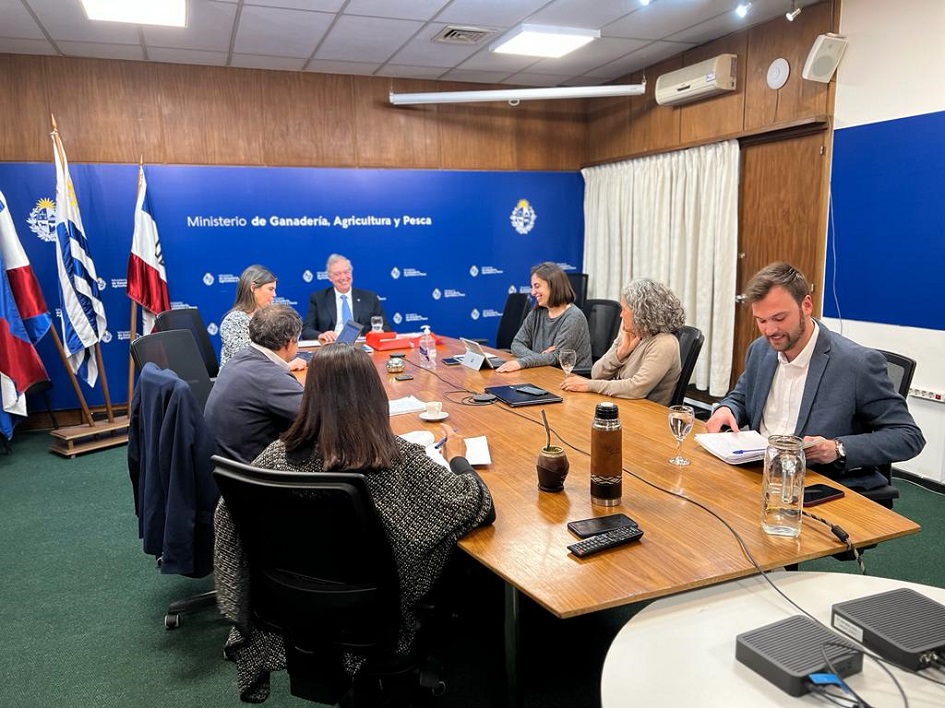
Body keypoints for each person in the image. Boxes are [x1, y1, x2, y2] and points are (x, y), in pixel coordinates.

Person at [214, 343, 495, 702]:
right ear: (373, 396)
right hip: (380, 620)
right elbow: (478, 504)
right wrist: (458, 460)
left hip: (298, 613)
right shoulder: (396, 459)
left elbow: (227, 512)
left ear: (310, 395)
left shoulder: (273, 457)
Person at [705, 262, 925, 490]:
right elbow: (741, 396)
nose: (770, 330)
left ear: (806, 305)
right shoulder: (760, 350)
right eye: (761, 321)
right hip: (758, 473)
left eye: (779, 318)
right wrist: (727, 409)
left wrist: (837, 448)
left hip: (818, 484)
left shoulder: (856, 364)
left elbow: (908, 436)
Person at [204, 305, 304, 464]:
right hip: (251, 475)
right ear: (289, 343)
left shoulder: (241, 358)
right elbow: (317, 418)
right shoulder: (271, 377)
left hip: (225, 467)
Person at [561, 278, 684, 404]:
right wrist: (619, 354)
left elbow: (636, 389)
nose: (620, 315)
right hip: (620, 404)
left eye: (624, 309)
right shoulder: (630, 333)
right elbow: (596, 373)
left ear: (641, 313)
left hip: (645, 414)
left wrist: (589, 385)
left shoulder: (665, 343)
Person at [496, 262, 592, 373]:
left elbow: (557, 357)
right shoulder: (537, 313)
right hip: (542, 372)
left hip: (569, 379)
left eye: (537, 286)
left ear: (553, 286)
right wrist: (542, 356)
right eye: (532, 287)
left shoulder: (574, 317)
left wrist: (524, 362)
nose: (532, 292)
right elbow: (516, 344)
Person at [219, 264, 306, 371]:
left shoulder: (266, 318)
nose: (274, 294)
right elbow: (248, 362)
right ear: (253, 288)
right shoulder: (234, 321)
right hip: (241, 383)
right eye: (270, 289)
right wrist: (287, 366)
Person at [301, 254, 390, 343]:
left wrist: (378, 333)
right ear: (329, 277)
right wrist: (321, 335)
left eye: (346, 272)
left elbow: (386, 327)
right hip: (331, 348)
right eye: (337, 274)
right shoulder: (318, 298)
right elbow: (306, 330)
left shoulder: (370, 297)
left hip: (361, 348)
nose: (343, 277)